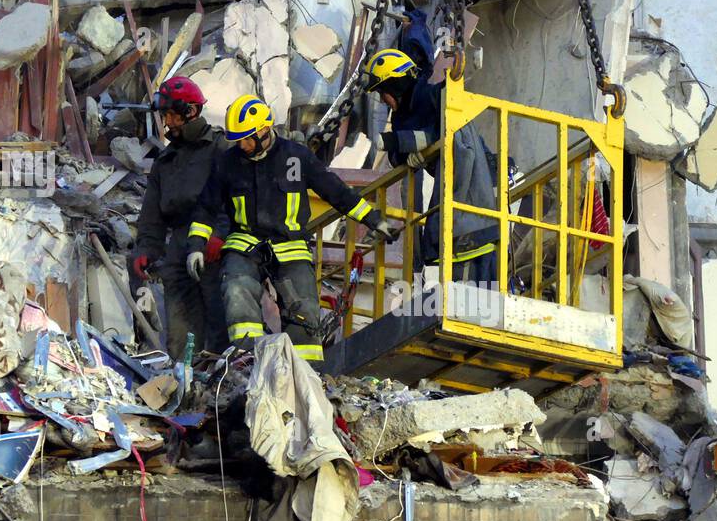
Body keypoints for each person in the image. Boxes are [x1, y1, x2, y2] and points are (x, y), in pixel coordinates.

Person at [185, 94, 400, 364]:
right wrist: (195, 247)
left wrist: (373, 220)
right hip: (244, 245)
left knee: (304, 311)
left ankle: (305, 373)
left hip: (290, 245)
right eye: (238, 140)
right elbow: (205, 208)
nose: (243, 145)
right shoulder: (228, 163)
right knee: (237, 291)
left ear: (265, 130)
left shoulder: (296, 158)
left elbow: (336, 192)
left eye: (248, 138)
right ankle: (247, 363)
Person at [364, 47, 499, 285]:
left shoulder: (433, 97)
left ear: (396, 84)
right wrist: (407, 154)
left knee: (478, 292)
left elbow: (447, 133)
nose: (384, 99)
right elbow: (397, 157)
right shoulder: (402, 116)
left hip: (472, 199)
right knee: (461, 287)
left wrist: (406, 143)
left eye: (383, 91)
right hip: (454, 209)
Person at [130, 76, 229, 355]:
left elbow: (236, 199)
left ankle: (225, 382)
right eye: (165, 116)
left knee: (220, 326)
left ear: (191, 112)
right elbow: (152, 215)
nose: (168, 123)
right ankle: (186, 383)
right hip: (179, 248)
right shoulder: (165, 161)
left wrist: (220, 236)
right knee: (180, 336)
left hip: (216, 246)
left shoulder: (221, 148)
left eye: (172, 115)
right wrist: (146, 250)